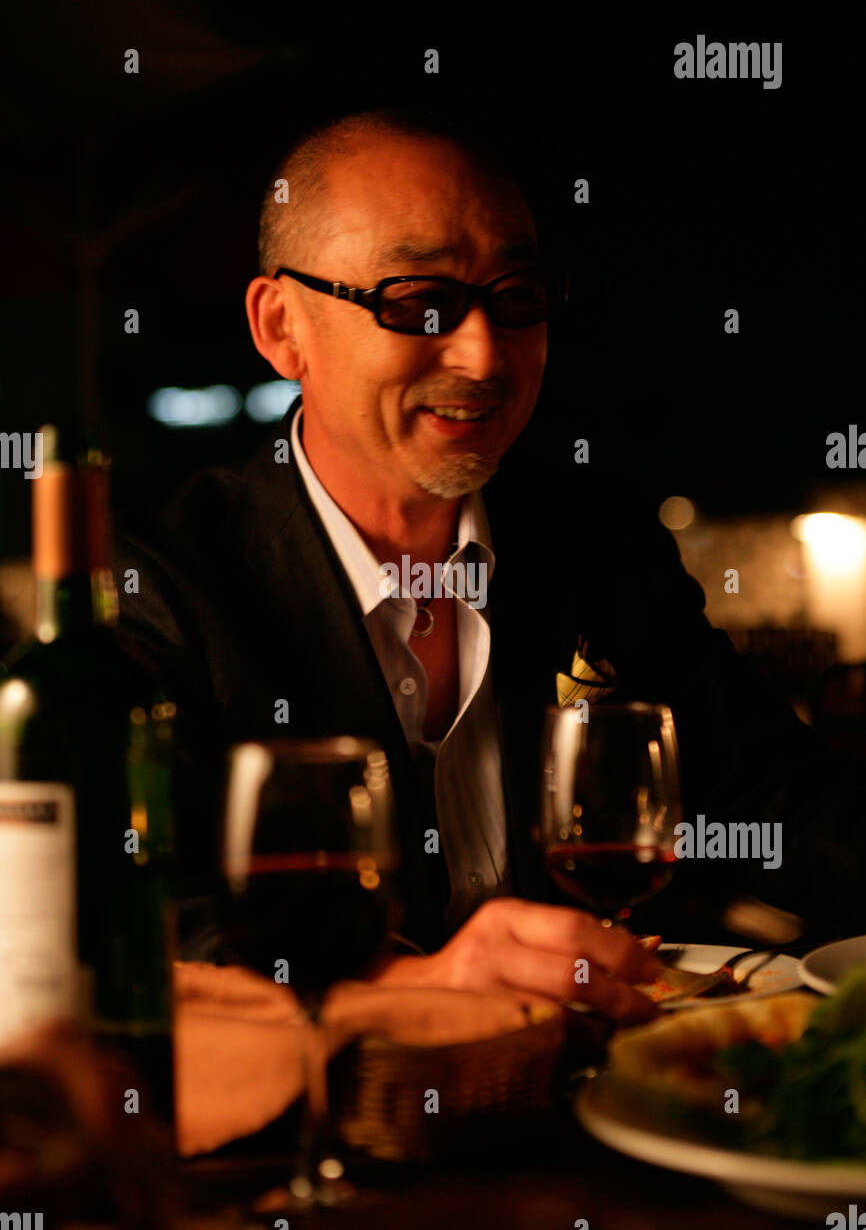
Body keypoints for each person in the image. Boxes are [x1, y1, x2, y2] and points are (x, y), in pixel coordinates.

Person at [113, 106, 866, 1025]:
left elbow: (780, 802)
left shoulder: (594, 539)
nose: (481, 354)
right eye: (419, 303)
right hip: (318, 1128)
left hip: (586, 1116)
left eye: (515, 299)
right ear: (282, 328)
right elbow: (129, 917)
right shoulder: (161, 586)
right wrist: (406, 991)